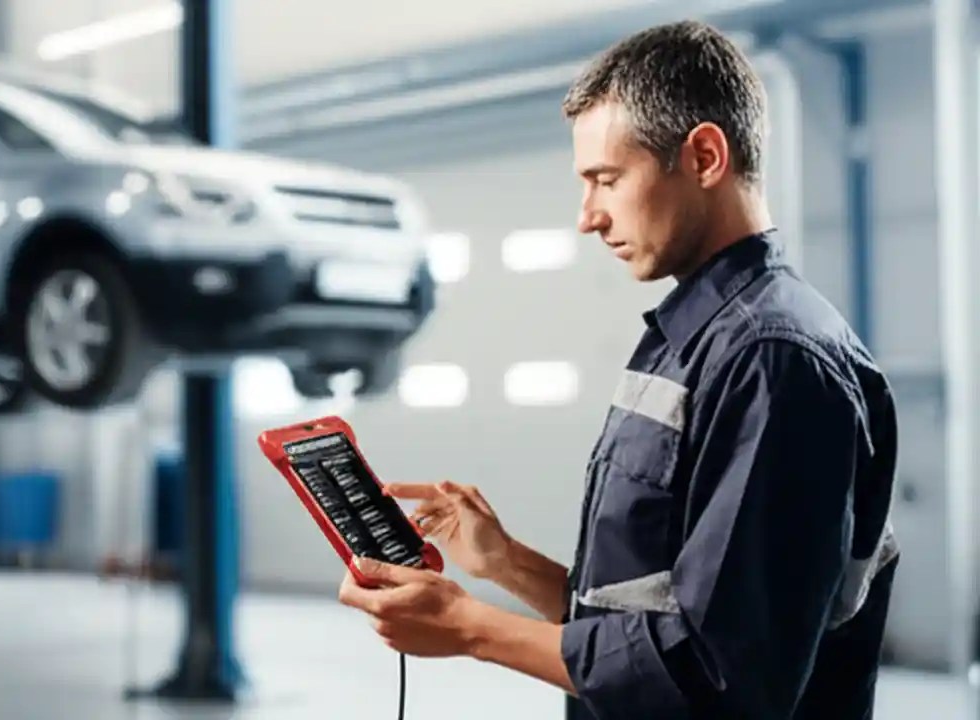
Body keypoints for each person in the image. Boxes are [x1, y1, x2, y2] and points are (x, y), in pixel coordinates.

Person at [337, 19, 900, 720]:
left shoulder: (773, 359)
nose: (588, 217)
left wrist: (468, 626)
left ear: (703, 156)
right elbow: (653, 617)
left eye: (606, 179)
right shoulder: (696, 338)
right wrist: (506, 562)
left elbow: (717, 676)